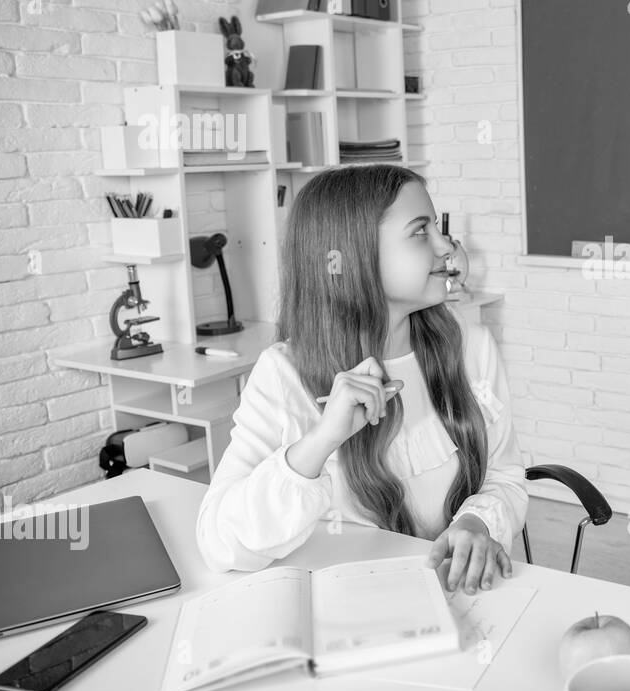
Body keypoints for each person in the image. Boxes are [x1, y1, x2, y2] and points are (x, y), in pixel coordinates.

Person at [196, 165, 527, 596]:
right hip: (357, 608)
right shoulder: (283, 373)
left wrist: (478, 520)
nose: (446, 246)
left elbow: (505, 476)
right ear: (352, 257)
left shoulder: (472, 347)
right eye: (420, 232)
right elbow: (220, 545)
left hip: (466, 596)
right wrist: (321, 440)